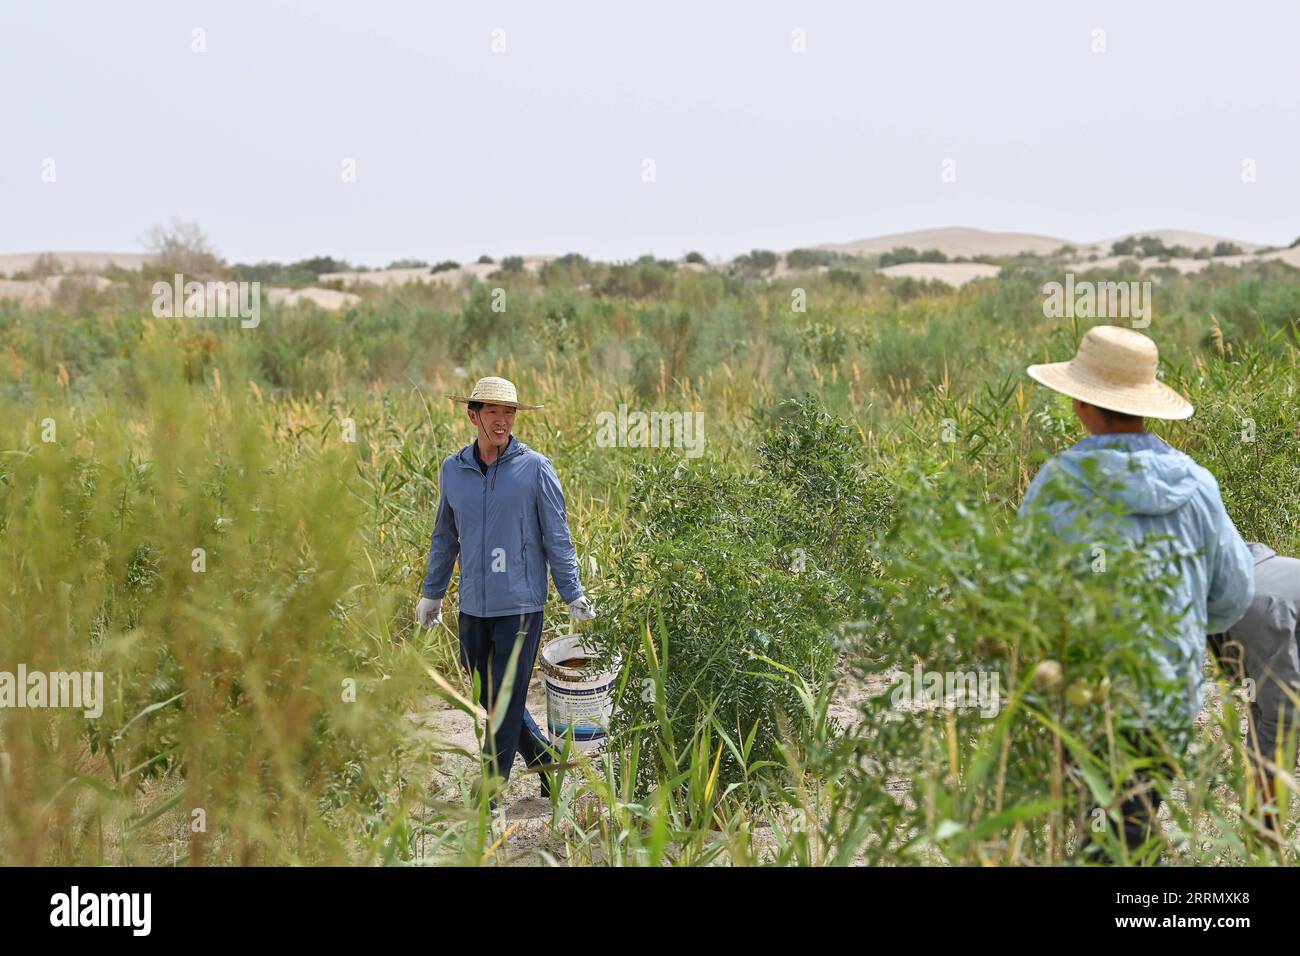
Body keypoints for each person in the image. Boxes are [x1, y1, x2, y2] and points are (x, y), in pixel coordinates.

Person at [1018, 325, 1254, 857]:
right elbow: (1234, 595)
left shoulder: (1056, 485)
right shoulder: (1196, 485)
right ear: (1147, 404)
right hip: (1166, 701)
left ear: (1080, 401)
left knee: (1080, 836)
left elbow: (1025, 591)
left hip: (1079, 702)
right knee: (1133, 829)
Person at [416, 376, 595, 803]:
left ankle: (490, 785)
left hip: (520, 603)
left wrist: (573, 593)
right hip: (473, 605)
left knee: (509, 693)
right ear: (472, 415)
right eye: (493, 412)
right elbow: (446, 536)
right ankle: (545, 757)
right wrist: (433, 592)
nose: (502, 421)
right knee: (491, 696)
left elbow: (558, 537)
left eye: (509, 412)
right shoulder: (452, 469)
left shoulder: (535, 469)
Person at [1209, 542, 1300, 830]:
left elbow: (1284, 712)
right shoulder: (1232, 593)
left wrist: (1262, 817)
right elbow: (1261, 702)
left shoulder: (1252, 604)